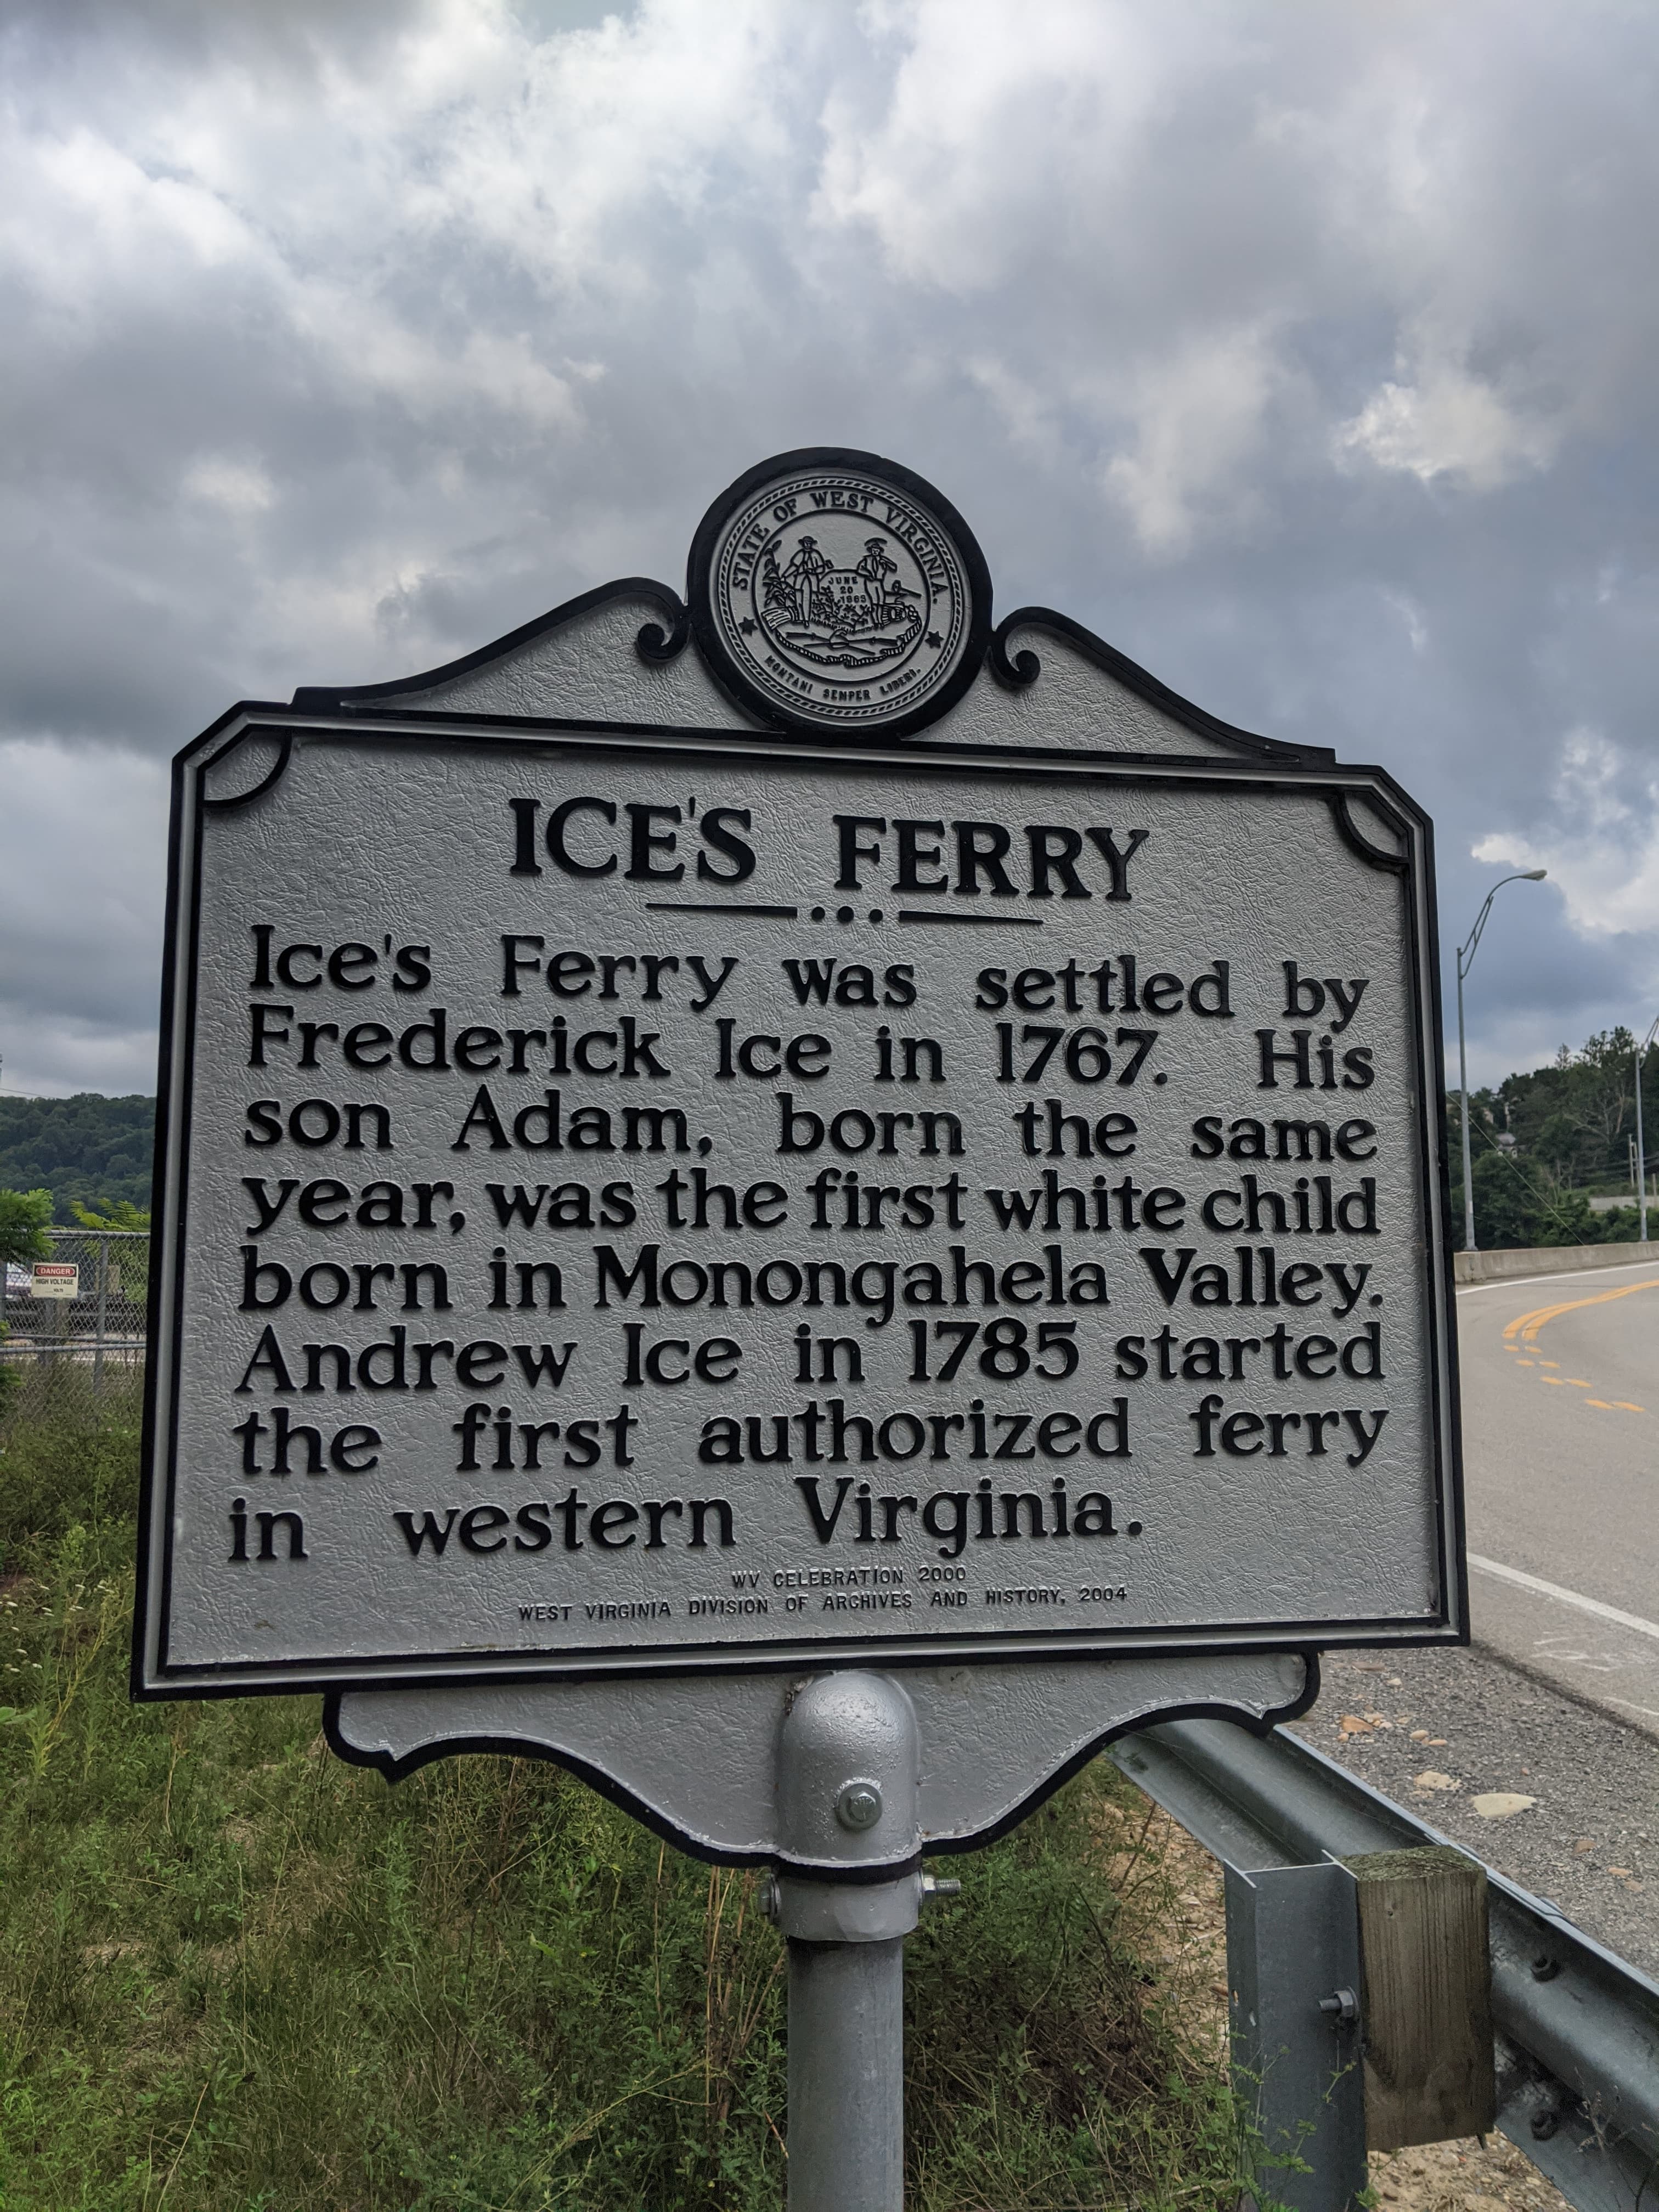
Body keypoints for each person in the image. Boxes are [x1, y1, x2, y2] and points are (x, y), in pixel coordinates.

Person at [783, 535, 830, 624]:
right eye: (806, 543)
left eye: (809, 543)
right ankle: (800, 618)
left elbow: (822, 568)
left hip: (810, 579)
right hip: (800, 578)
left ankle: (806, 619)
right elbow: (794, 566)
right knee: (798, 599)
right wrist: (785, 575)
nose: (808, 545)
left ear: (812, 544)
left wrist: (812, 570)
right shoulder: (800, 554)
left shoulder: (816, 554)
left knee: (807, 599)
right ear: (803, 543)